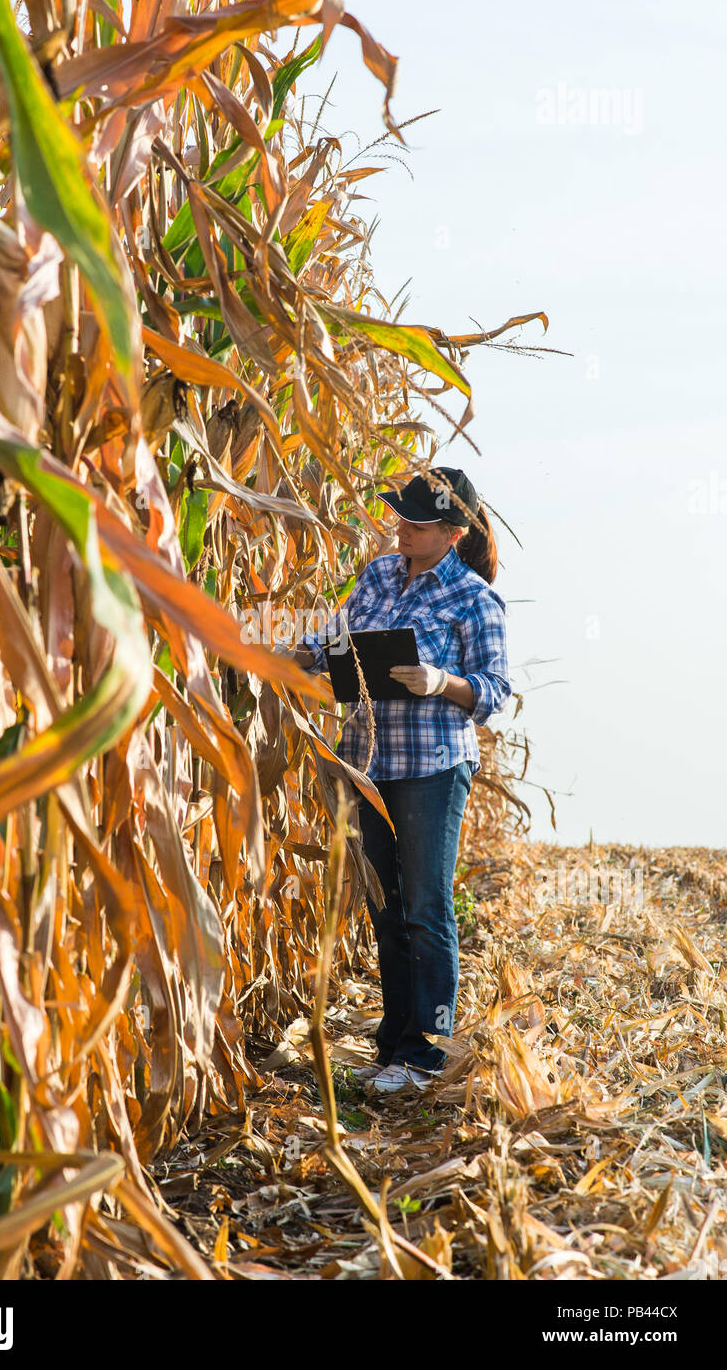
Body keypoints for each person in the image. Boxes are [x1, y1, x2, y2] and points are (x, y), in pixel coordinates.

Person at [293, 465, 511, 1096]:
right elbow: (340, 639)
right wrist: (293, 655)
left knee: (425, 907)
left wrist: (440, 682)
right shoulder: (380, 575)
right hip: (368, 761)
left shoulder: (474, 597)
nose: (402, 530)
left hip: (432, 767)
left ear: (452, 533)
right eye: (401, 518)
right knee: (386, 907)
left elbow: (495, 690)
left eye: (417, 523)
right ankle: (392, 1048)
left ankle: (424, 1055)